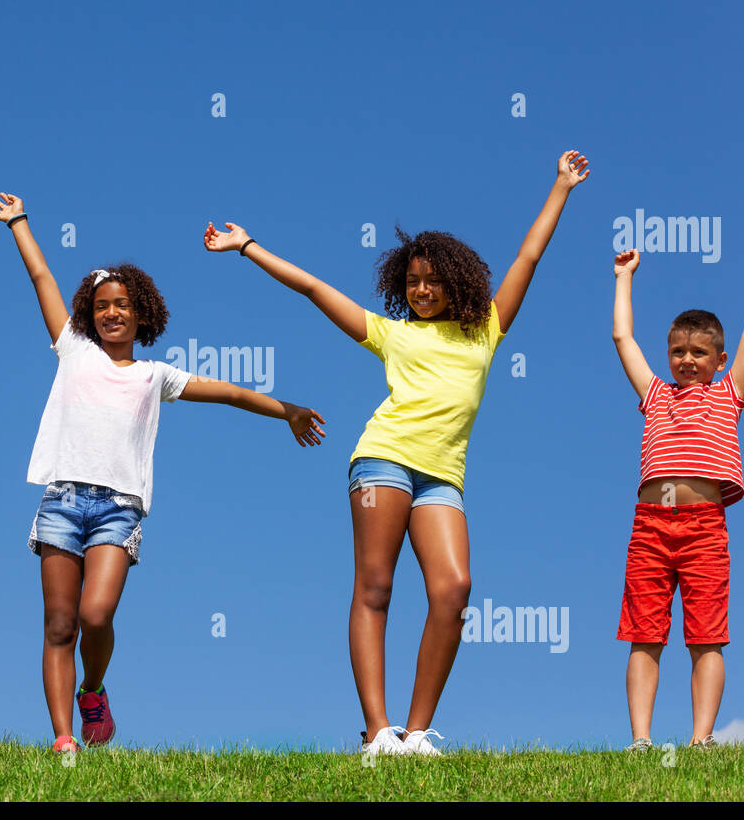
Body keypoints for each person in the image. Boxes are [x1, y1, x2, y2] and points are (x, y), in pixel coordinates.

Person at [203, 150, 590, 756]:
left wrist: (561, 187)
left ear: (457, 281)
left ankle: (416, 733)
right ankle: (377, 732)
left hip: (443, 477)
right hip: (382, 459)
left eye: (432, 279)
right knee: (375, 588)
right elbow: (312, 288)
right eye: (412, 281)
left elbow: (528, 256)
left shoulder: (485, 328)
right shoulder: (392, 332)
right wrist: (249, 246)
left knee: (453, 588)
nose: (422, 288)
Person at [0, 191, 325, 753]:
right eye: (102, 305)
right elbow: (42, 276)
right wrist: (20, 223)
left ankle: (93, 689)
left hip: (118, 509)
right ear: (88, 316)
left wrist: (286, 409)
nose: (112, 312)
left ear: (142, 313)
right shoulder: (73, 349)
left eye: (122, 304)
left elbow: (232, 393)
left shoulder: (156, 376)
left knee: (95, 615)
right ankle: (63, 740)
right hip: (62, 500)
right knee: (58, 623)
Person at [611, 226, 744, 751]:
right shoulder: (654, 393)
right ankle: (641, 740)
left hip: (705, 527)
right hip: (650, 526)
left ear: (720, 361)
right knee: (646, 634)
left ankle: (701, 740)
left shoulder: (730, 392)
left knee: (707, 636)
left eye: (699, 352)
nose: (687, 360)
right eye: (678, 350)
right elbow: (623, 338)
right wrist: (623, 279)